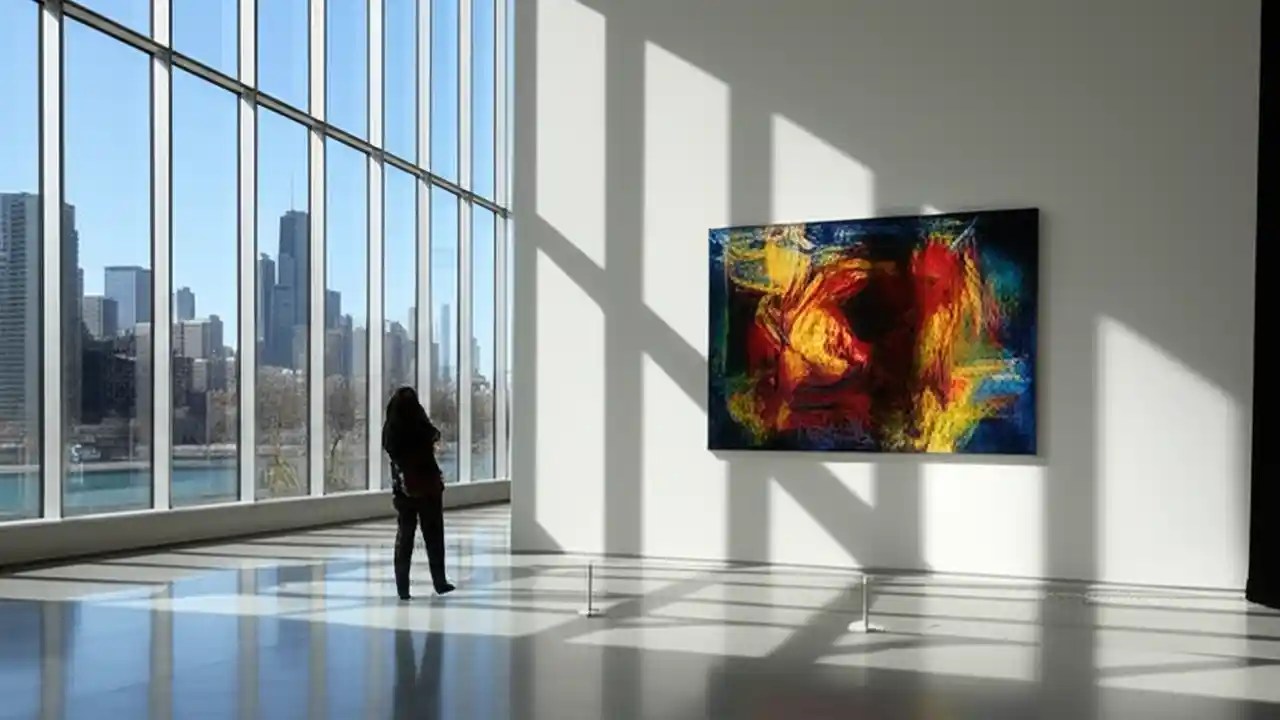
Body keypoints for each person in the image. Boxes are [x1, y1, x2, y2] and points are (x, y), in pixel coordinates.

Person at [383, 386, 455, 599]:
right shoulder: (419, 423)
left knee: (405, 537)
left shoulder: (391, 429)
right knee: (434, 535)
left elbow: (392, 451)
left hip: (404, 489)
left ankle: (402, 588)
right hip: (428, 486)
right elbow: (434, 435)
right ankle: (439, 581)